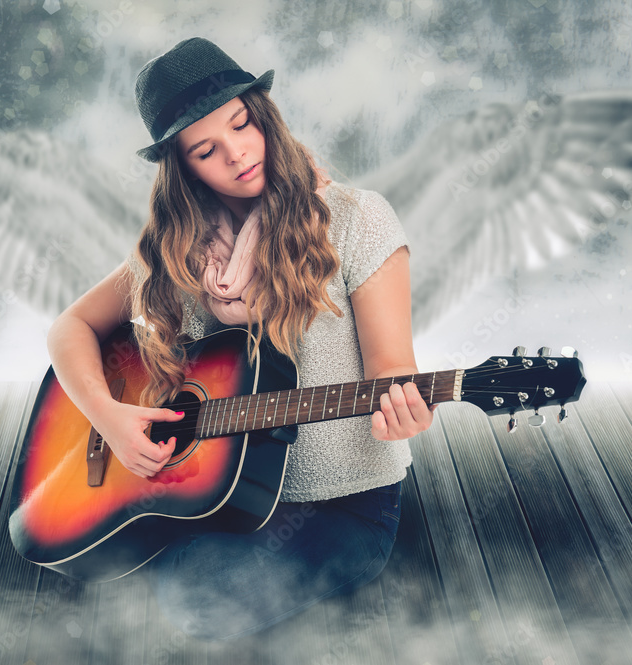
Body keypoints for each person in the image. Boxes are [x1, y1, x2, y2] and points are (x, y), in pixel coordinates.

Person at [46, 37, 435, 641]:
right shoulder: (177, 249)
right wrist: (110, 416)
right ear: (182, 168)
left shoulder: (358, 218)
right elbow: (69, 327)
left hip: (344, 506)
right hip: (217, 497)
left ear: (264, 116)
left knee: (200, 602)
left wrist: (401, 413)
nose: (237, 155)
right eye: (206, 149)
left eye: (243, 124)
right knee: (124, 564)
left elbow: (393, 371)